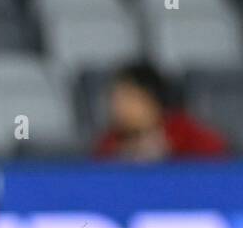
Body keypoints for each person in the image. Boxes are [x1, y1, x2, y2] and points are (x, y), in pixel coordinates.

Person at [93, 63, 228, 160]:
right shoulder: (110, 142)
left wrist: (170, 153)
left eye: (129, 98)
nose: (119, 108)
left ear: (153, 101)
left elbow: (219, 157)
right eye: (115, 100)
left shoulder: (184, 131)